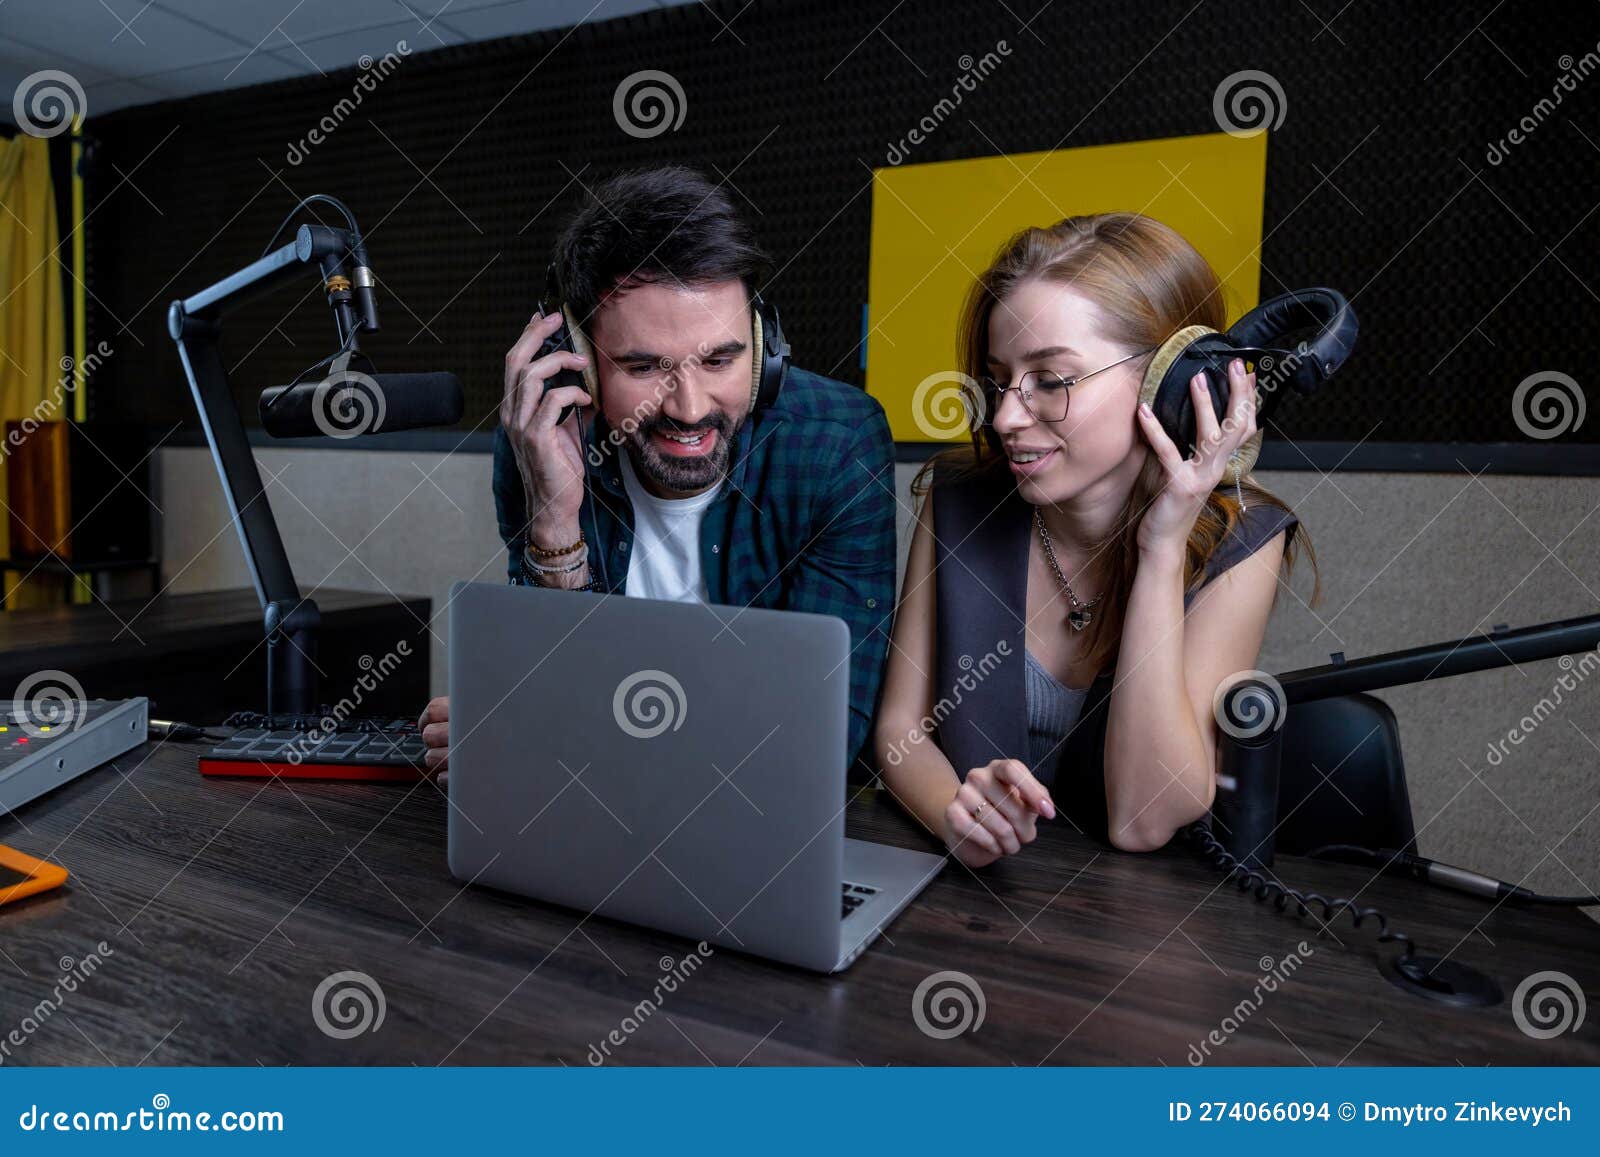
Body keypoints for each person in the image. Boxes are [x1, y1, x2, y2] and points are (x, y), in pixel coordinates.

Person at [874, 212, 1321, 866]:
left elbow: (1143, 819)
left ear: (1174, 385)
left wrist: (1162, 550)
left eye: (1051, 381)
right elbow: (900, 730)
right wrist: (955, 814)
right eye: (999, 380)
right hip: (971, 903)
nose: (1005, 417)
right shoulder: (958, 500)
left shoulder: (1244, 540)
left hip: (1136, 917)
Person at [421, 166, 896, 774]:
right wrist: (556, 525)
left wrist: (541, 727)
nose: (689, 409)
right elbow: (545, 675)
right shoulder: (539, 443)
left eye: (720, 360)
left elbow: (816, 738)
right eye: (644, 368)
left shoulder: (838, 443)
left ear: (764, 350)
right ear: (578, 361)